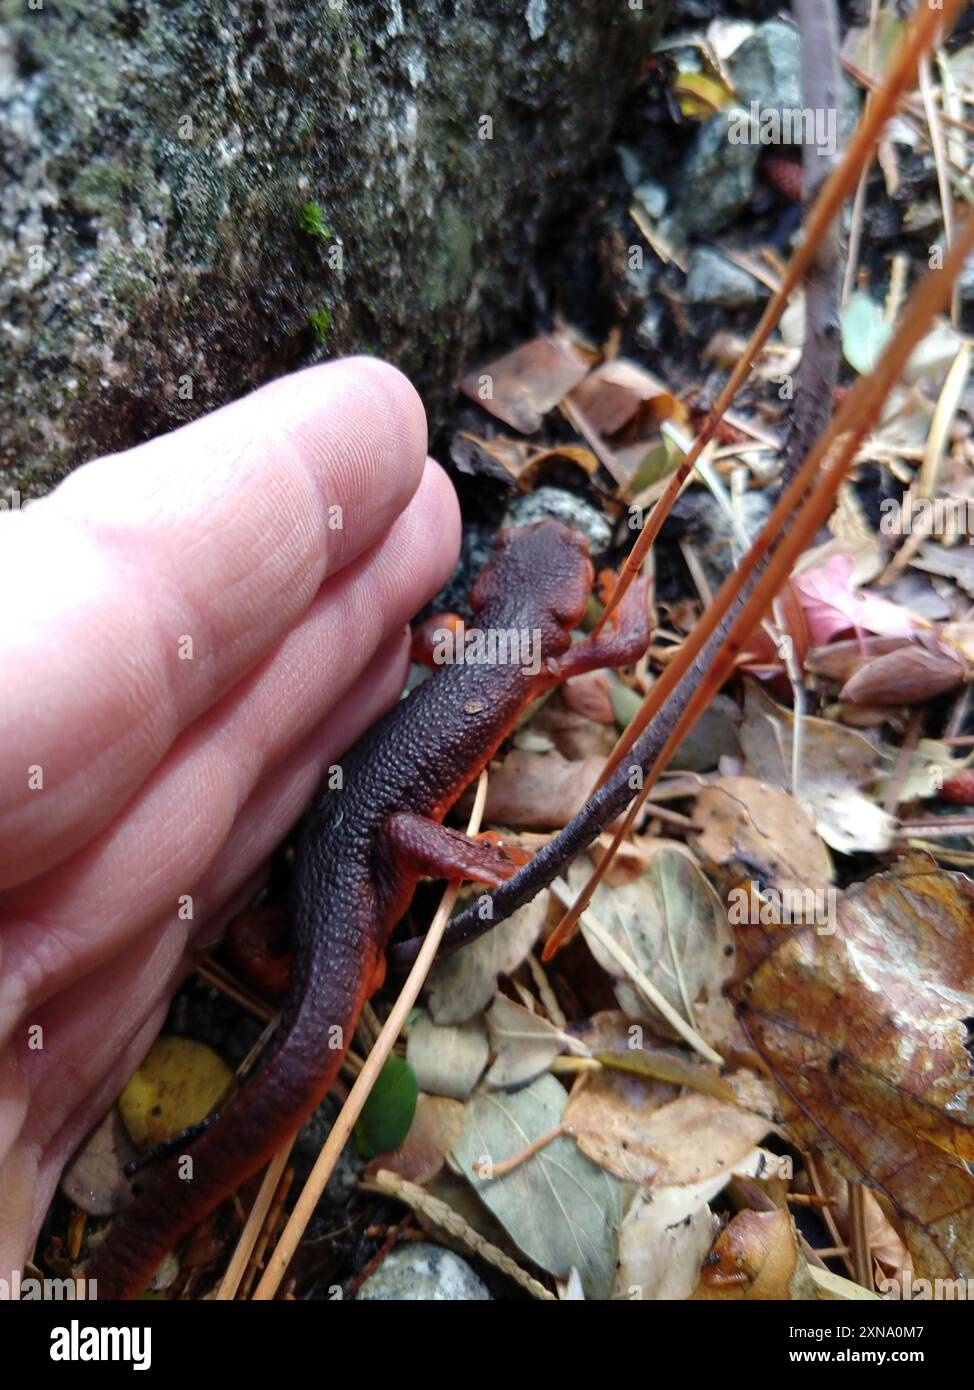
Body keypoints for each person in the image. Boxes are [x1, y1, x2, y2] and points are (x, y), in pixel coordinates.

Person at [0, 357, 461, 1280]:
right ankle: (125, 1260)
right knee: (295, 1053)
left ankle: (124, 1262)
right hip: (336, 899)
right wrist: (479, 856)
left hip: (320, 907)